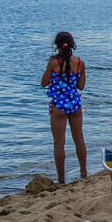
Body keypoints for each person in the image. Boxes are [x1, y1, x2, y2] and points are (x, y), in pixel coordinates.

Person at [40, 31, 87, 184]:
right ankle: (84, 173)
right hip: (75, 104)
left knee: (59, 143)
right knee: (79, 139)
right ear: (72, 45)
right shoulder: (80, 63)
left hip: (59, 105)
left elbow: (43, 83)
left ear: (57, 45)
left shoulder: (54, 62)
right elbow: (81, 86)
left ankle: (61, 180)